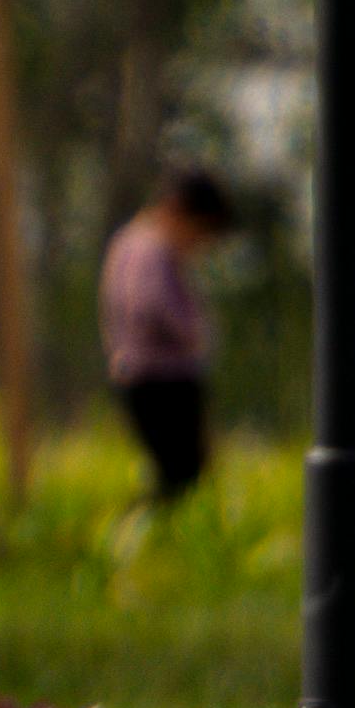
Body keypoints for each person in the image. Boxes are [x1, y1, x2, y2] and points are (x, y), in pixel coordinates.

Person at [98, 164, 233, 500]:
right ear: (179, 211)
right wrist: (193, 333)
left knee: (179, 473)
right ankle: (141, 524)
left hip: (146, 376)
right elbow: (149, 304)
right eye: (200, 232)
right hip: (161, 380)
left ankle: (148, 523)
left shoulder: (133, 242)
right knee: (180, 476)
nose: (198, 245)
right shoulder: (150, 248)